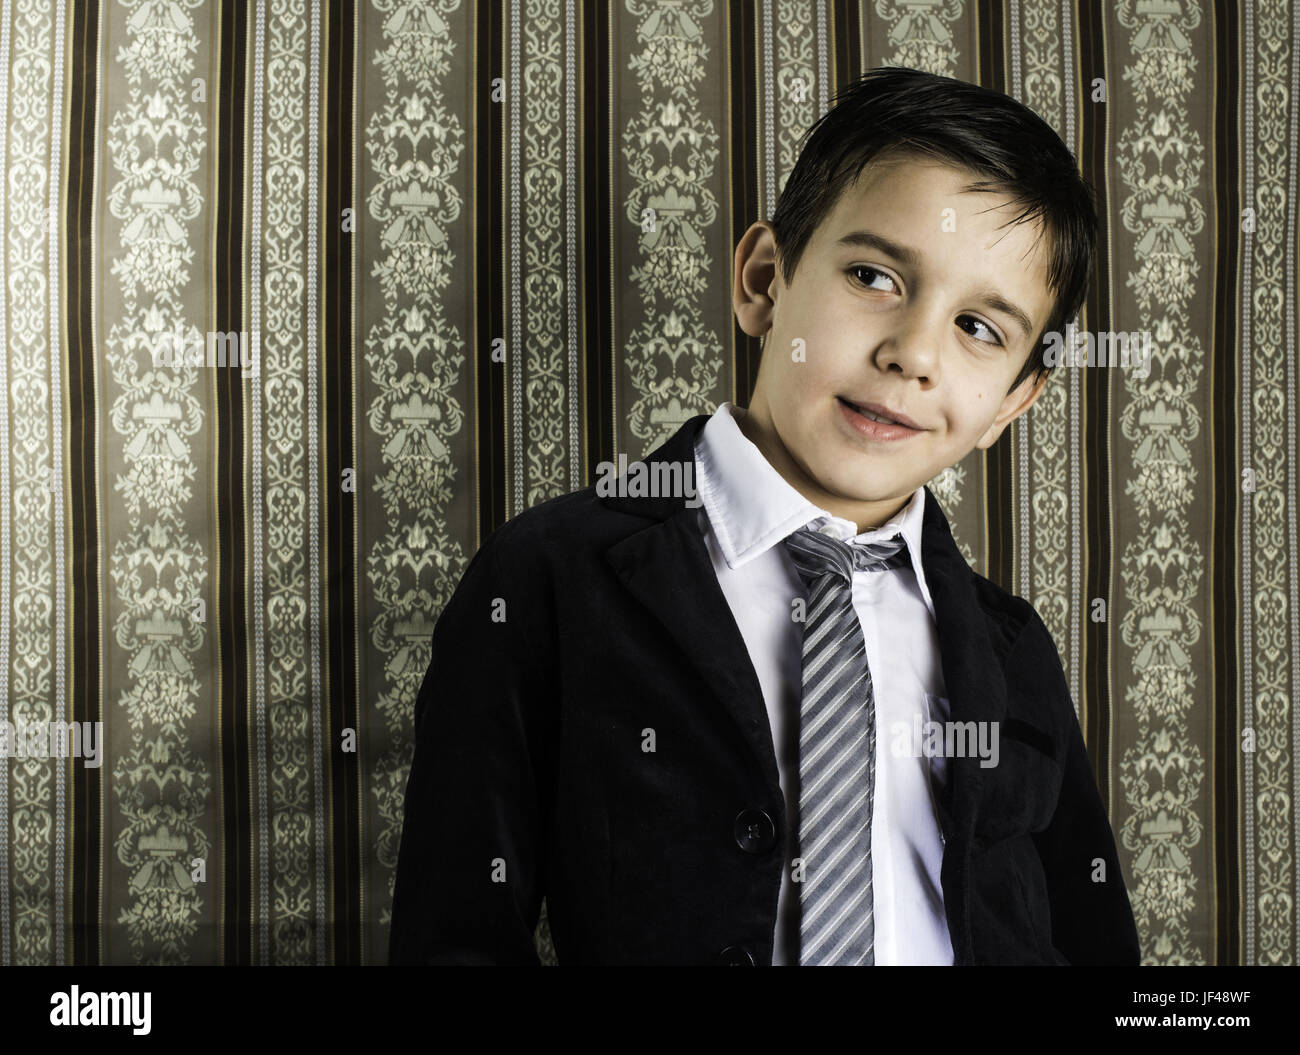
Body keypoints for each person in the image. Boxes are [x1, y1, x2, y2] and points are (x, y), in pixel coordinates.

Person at [389, 65, 1141, 966]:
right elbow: (457, 936)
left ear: (1012, 403)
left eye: (981, 328)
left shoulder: (1011, 648)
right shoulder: (552, 579)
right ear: (763, 279)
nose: (912, 354)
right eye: (874, 275)